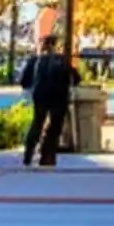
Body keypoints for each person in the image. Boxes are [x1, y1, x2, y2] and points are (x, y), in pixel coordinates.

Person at [20, 35, 80, 167]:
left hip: (40, 96)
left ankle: (28, 154)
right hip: (59, 96)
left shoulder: (35, 60)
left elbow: (24, 81)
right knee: (55, 126)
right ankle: (47, 155)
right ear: (55, 45)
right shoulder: (62, 60)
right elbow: (76, 78)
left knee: (37, 122)